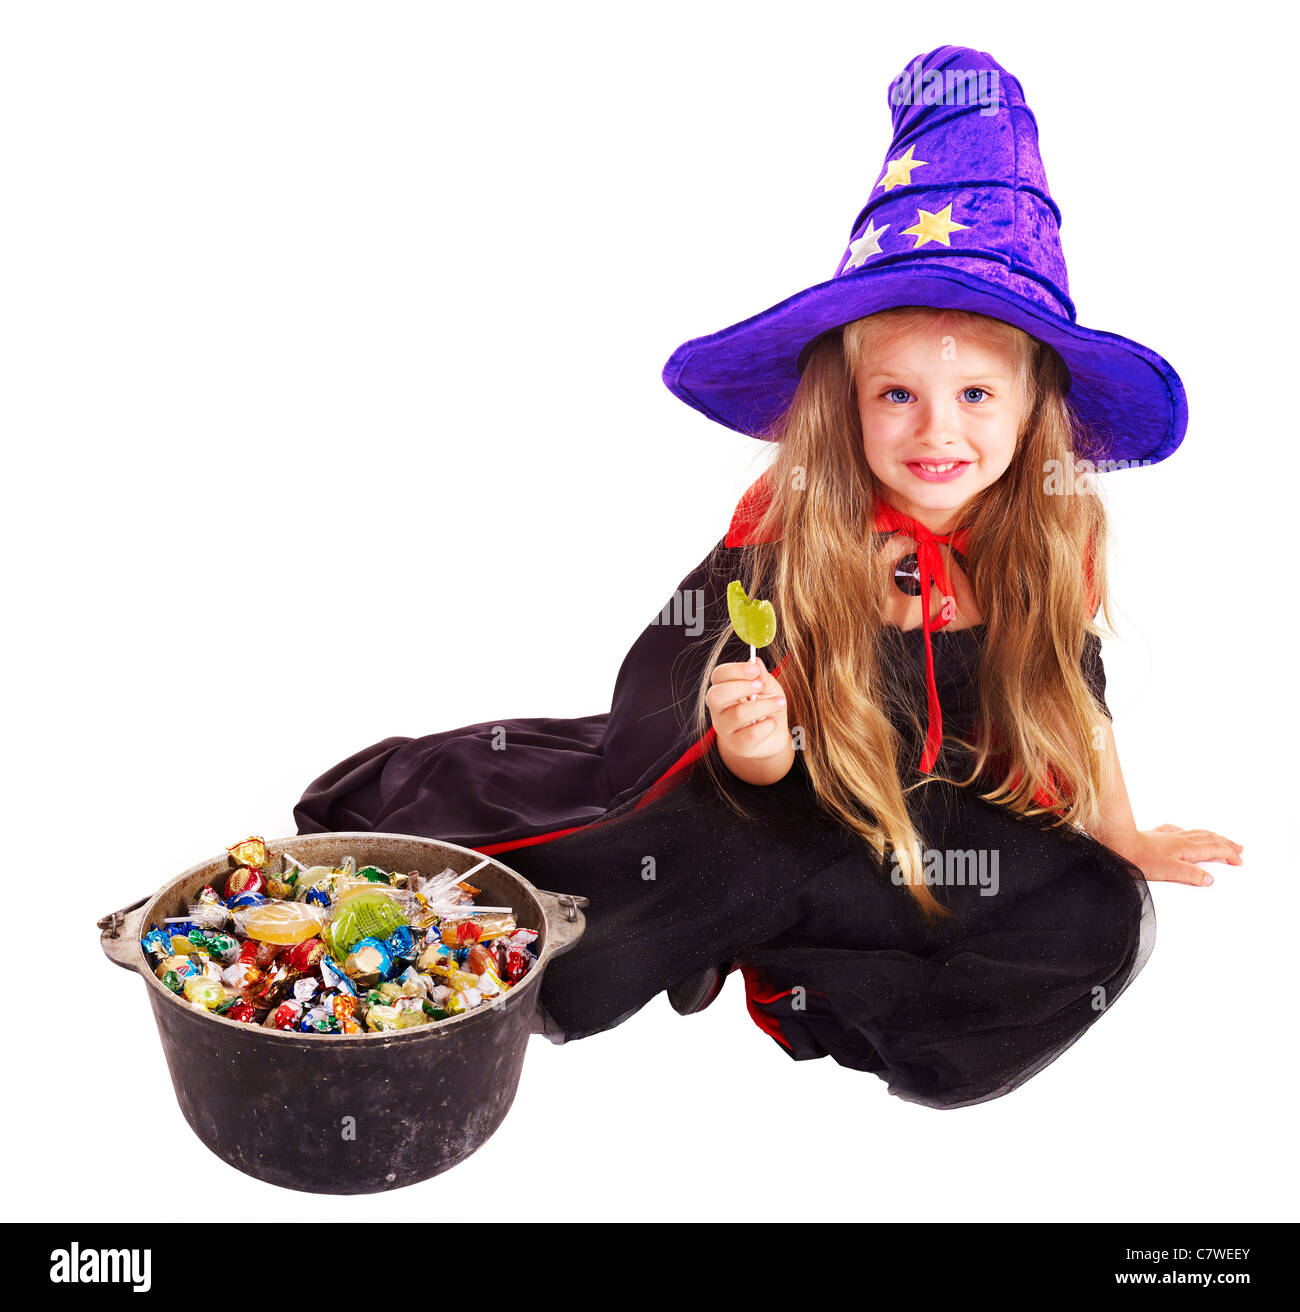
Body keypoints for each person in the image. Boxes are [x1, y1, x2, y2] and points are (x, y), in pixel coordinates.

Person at [294, 45, 1242, 1107]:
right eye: (897, 395)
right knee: (723, 856)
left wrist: (1121, 832)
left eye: (976, 394)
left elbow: (1079, 698)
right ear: (847, 400)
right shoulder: (794, 534)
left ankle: (823, 955)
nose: (938, 430)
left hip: (913, 811)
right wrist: (751, 749)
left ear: (1034, 410)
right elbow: (685, 677)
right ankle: (678, 921)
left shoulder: (1045, 538)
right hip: (781, 798)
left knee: (1086, 903)